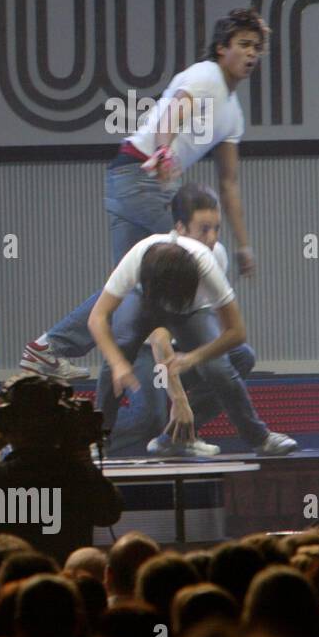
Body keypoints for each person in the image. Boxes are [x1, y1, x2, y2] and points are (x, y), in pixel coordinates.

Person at [22, 9, 270, 381]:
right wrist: (166, 149)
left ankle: (50, 350)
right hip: (141, 176)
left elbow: (229, 184)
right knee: (182, 261)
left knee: (125, 284)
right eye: (243, 45)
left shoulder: (233, 114)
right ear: (222, 49)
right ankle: (190, 351)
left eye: (256, 48)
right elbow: (176, 110)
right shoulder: (206, 75)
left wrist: (244, 245)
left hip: (129, 179)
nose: (251, 54)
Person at [87, 233, 296, 456]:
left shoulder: (206, 265)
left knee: (218, 367)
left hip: (192, 310)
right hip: (145, 299)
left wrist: (193, 358)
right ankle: (97, 440)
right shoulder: (136, 259)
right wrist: (118, 363)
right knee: (120, 350)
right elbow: (97, 318)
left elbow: (237, 333)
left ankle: (259, 438)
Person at [108, 183, 269, 457]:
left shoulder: (213, 257)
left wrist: (194, 360)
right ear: (180, 229)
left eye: (217, 229)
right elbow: (159, 337)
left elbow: (212, 328)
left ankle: (177, 436)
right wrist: (179, 399)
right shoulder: (159, 257)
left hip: (180, 353)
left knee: (240, 357)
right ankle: (78, 442)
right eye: (203, 230)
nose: (212, 238)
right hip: (149, 351)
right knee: (150, 418)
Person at [0, 374, 125, 563]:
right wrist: (79, 451)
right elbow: (109, 513)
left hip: (5, 588)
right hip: (63, 588)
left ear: (6, 424)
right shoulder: (79, 480)